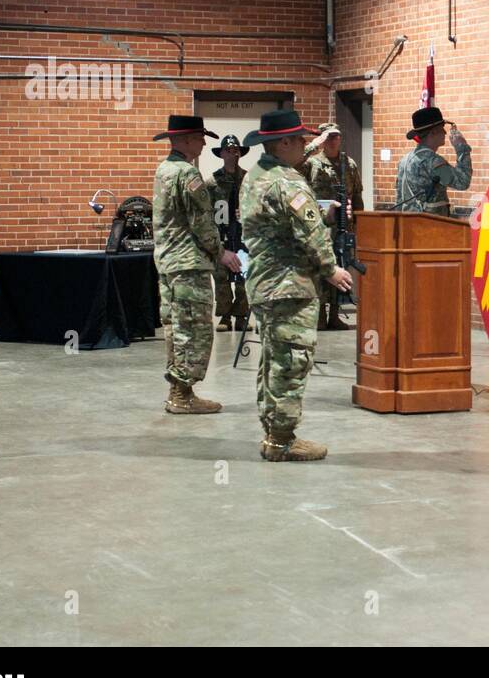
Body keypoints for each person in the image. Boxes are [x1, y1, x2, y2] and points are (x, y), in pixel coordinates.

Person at [239, 110, 354, 462]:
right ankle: (282, 441)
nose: (305, 146)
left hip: (264, 282)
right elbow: (311, 232)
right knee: (291, 361)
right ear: (284, 142)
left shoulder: (257, 175)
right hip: (290, 285)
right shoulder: (288, 181)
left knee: (273, 359)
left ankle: (273, 433)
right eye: (300, 140)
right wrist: (331, 268)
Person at [151, 115, 242, 414]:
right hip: (189, 265)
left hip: (169, 263)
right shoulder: (188, 175)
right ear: (187, 139)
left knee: (177, 327)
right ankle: (182, 395)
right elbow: (202, 224)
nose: (204, 143)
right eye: (201, 137)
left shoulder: (164, 169)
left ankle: (178, 391)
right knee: (195, 329)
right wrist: (222, 253)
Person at [299, 122, 364, 330]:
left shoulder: (348, 163)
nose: (334, 141)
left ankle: (335, 314)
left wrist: (359, 222)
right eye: (329, 137)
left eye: (336, 137)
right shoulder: (312, 164)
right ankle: (318, 316)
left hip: (343, 226)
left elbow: (357, 195)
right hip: (319, 225)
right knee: (319, 269)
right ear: (322, 140)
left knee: (341, 265)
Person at [394, 106, 471, 215]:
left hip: (407, 225)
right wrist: (462, 148)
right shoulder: (432, 161)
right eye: (442, 128)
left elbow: (399, 200)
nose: (445, 132)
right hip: (430, 227)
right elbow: (463, 182)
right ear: (433, 132)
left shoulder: (404, 160)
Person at [208, 134, 250, 333]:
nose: (232, 153)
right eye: (228, 150)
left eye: (236, 150)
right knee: (222, 279)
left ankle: (242, 316)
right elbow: (206, 211)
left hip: (243, 235)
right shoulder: (213, 182)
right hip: (222, 235)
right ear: (221, 153)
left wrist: (247, 212)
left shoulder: (248, 179)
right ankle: (225, 316)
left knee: (243, 277)